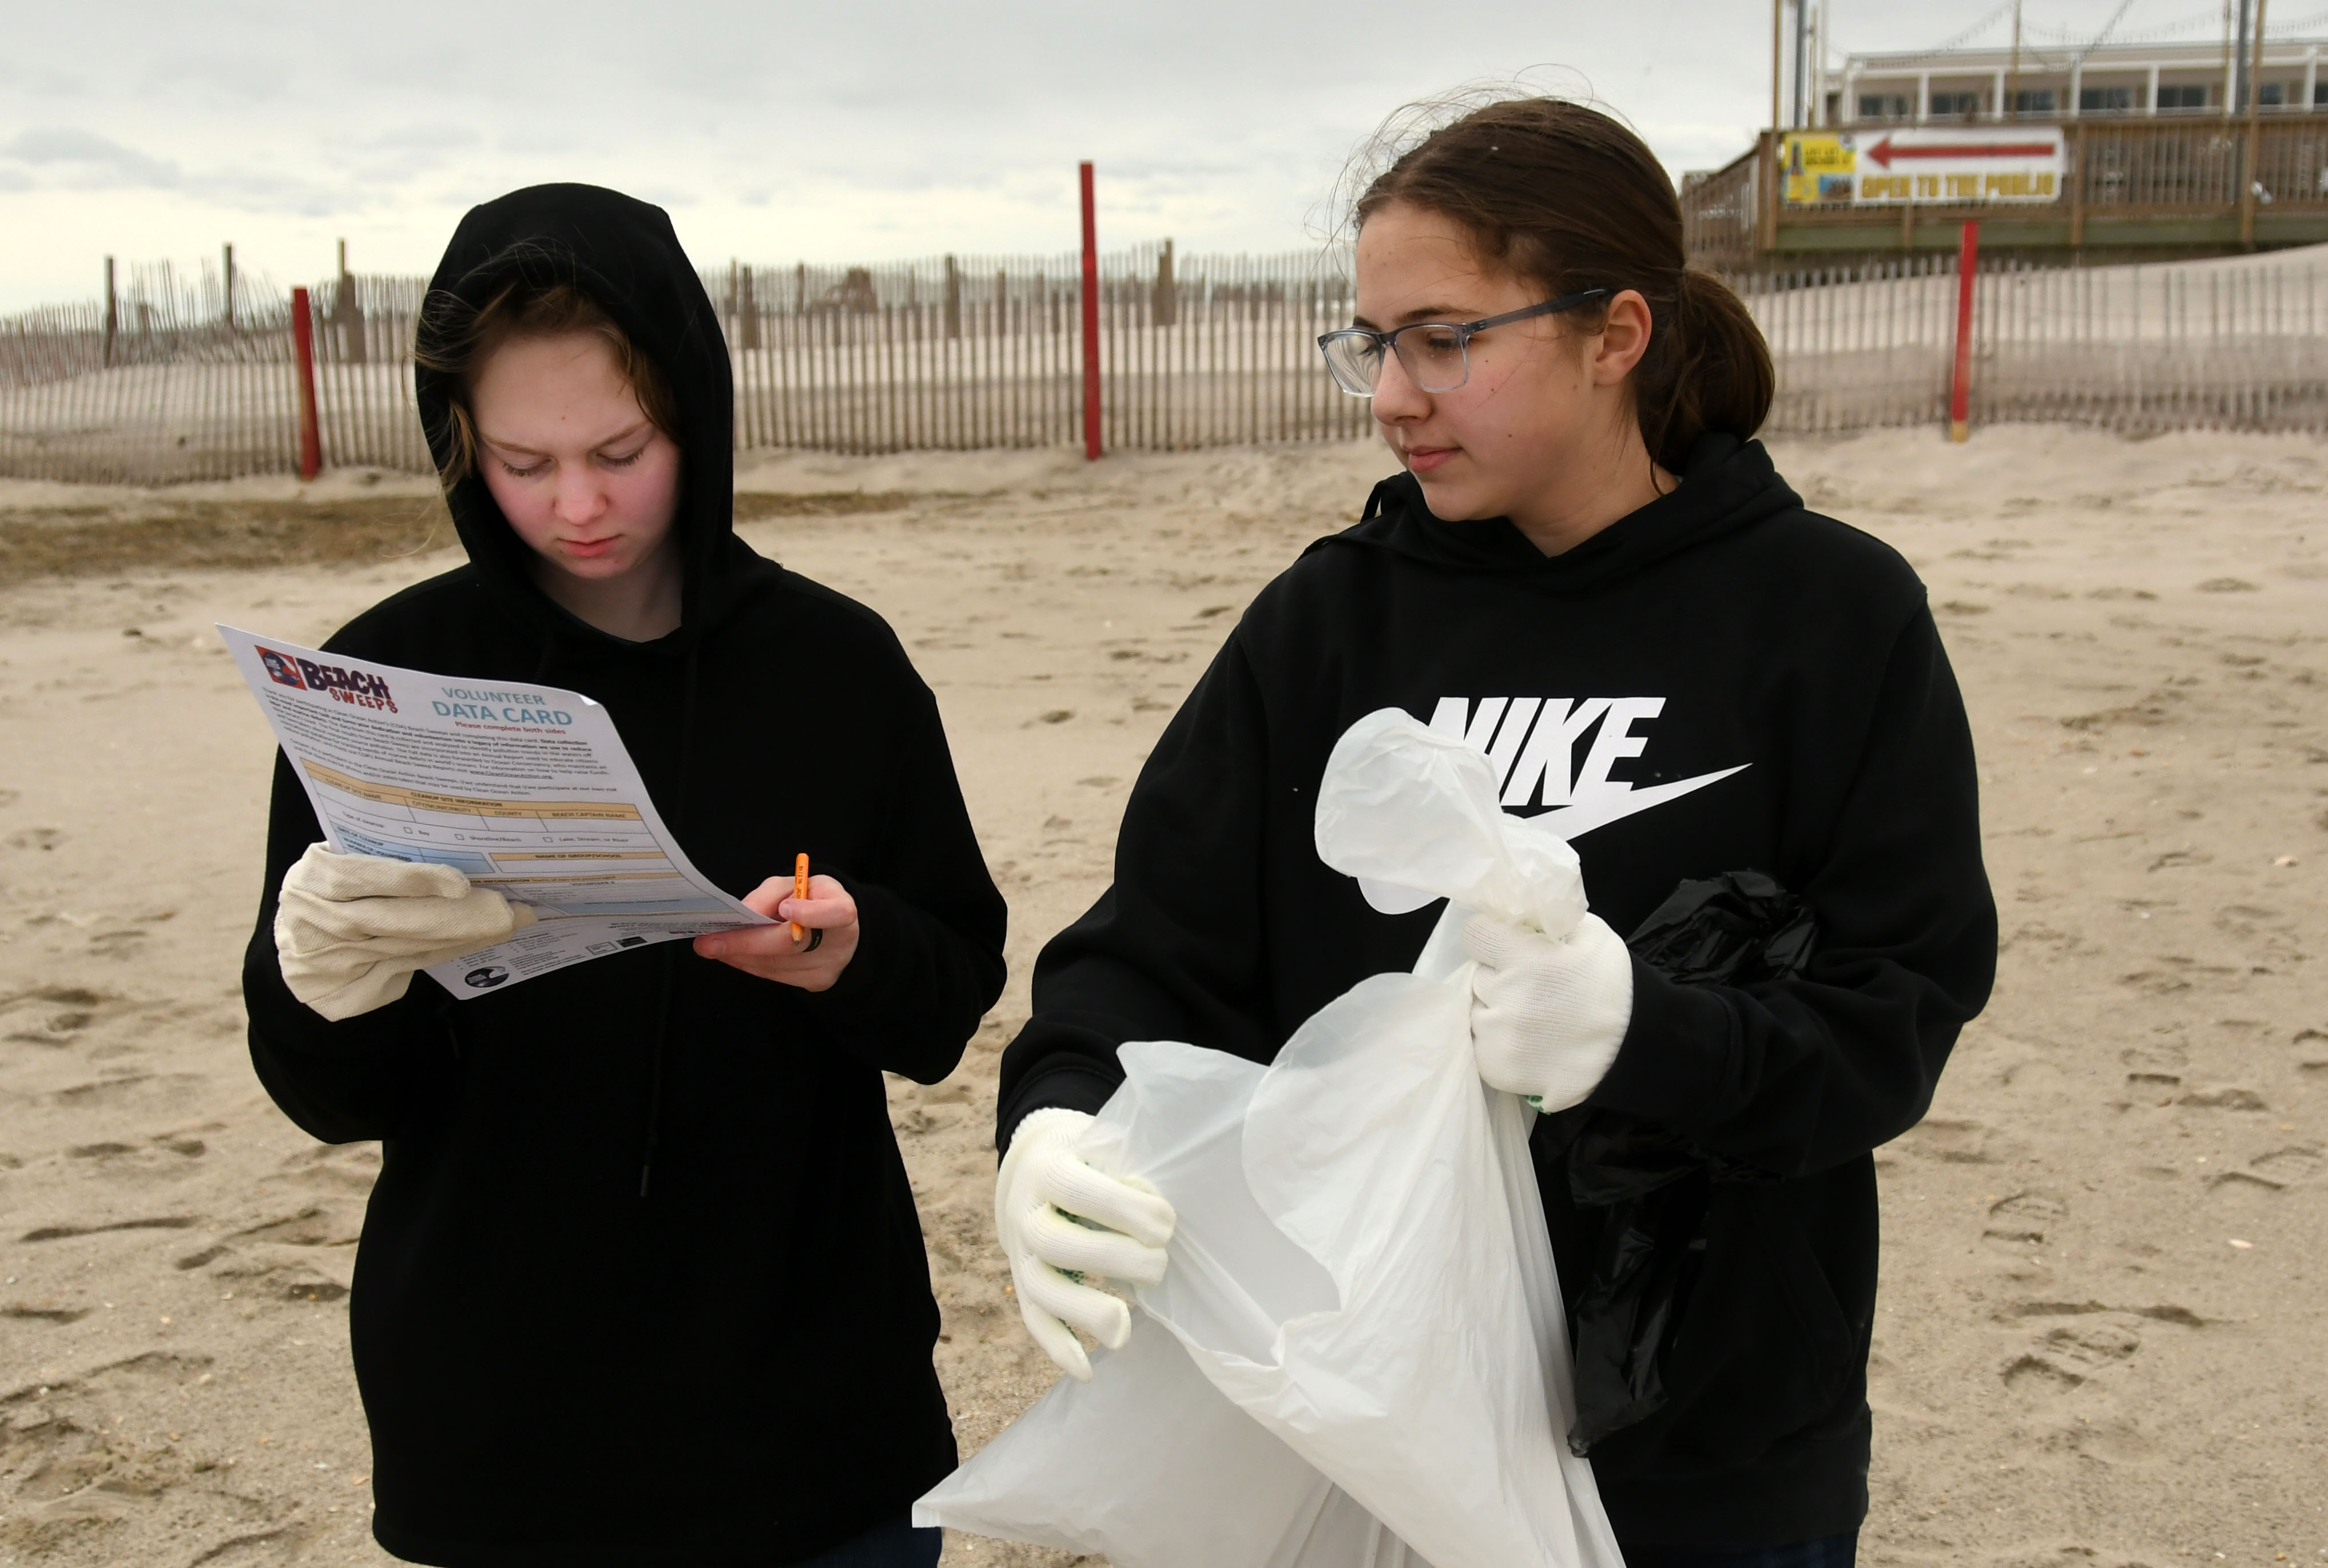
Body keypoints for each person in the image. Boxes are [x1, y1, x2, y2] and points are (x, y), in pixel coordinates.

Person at [991, 100, 1996, 1566]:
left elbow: (1895, 1014)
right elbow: (1153, 949)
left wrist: (1641, 1033)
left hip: (1710, 1445)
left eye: (1444, 338)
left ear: (1616, 333)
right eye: (1369, 341)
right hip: (1360, 1423)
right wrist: (1056, 1117)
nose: (1393, 393)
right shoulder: (1328, 622)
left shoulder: (1830, 618)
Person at [243, 184, 1005, 1567]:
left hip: (813, 1407)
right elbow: (331, 1102)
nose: (577, 505)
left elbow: (950, 1002)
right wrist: (327, 987)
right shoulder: (379, 679)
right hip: (501, 1423)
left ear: (696, 417)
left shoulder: (839, 668)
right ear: (460, 444)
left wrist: (856, 951)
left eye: (621, 449)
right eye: (523, 464)